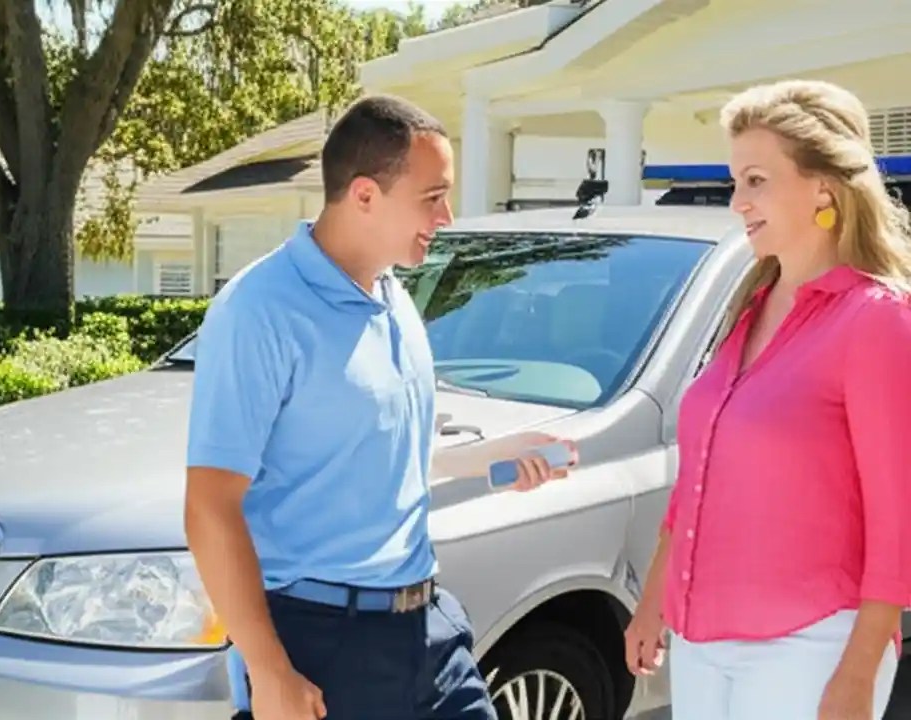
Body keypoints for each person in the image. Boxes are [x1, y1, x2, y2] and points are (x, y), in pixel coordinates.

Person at [184, 94, 572, 720]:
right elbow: (209, 505)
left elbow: (381, 453)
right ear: (364, 195)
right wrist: (269, 669)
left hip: (428, 631)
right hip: (322, 646)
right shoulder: (259, 309)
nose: (448, 215)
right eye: (432, 196)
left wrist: (492, 458)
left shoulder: (393, 295)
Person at [623, 78, 911, 720]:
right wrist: (655, 602)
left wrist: (859, 671)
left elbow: (899, 519)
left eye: (755, 180)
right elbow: (697, 478)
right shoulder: (748, 306)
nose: (737, 202)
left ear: (824, 189)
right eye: (735, 181)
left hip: (811, 643)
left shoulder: (876, 320)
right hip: (701, 643)